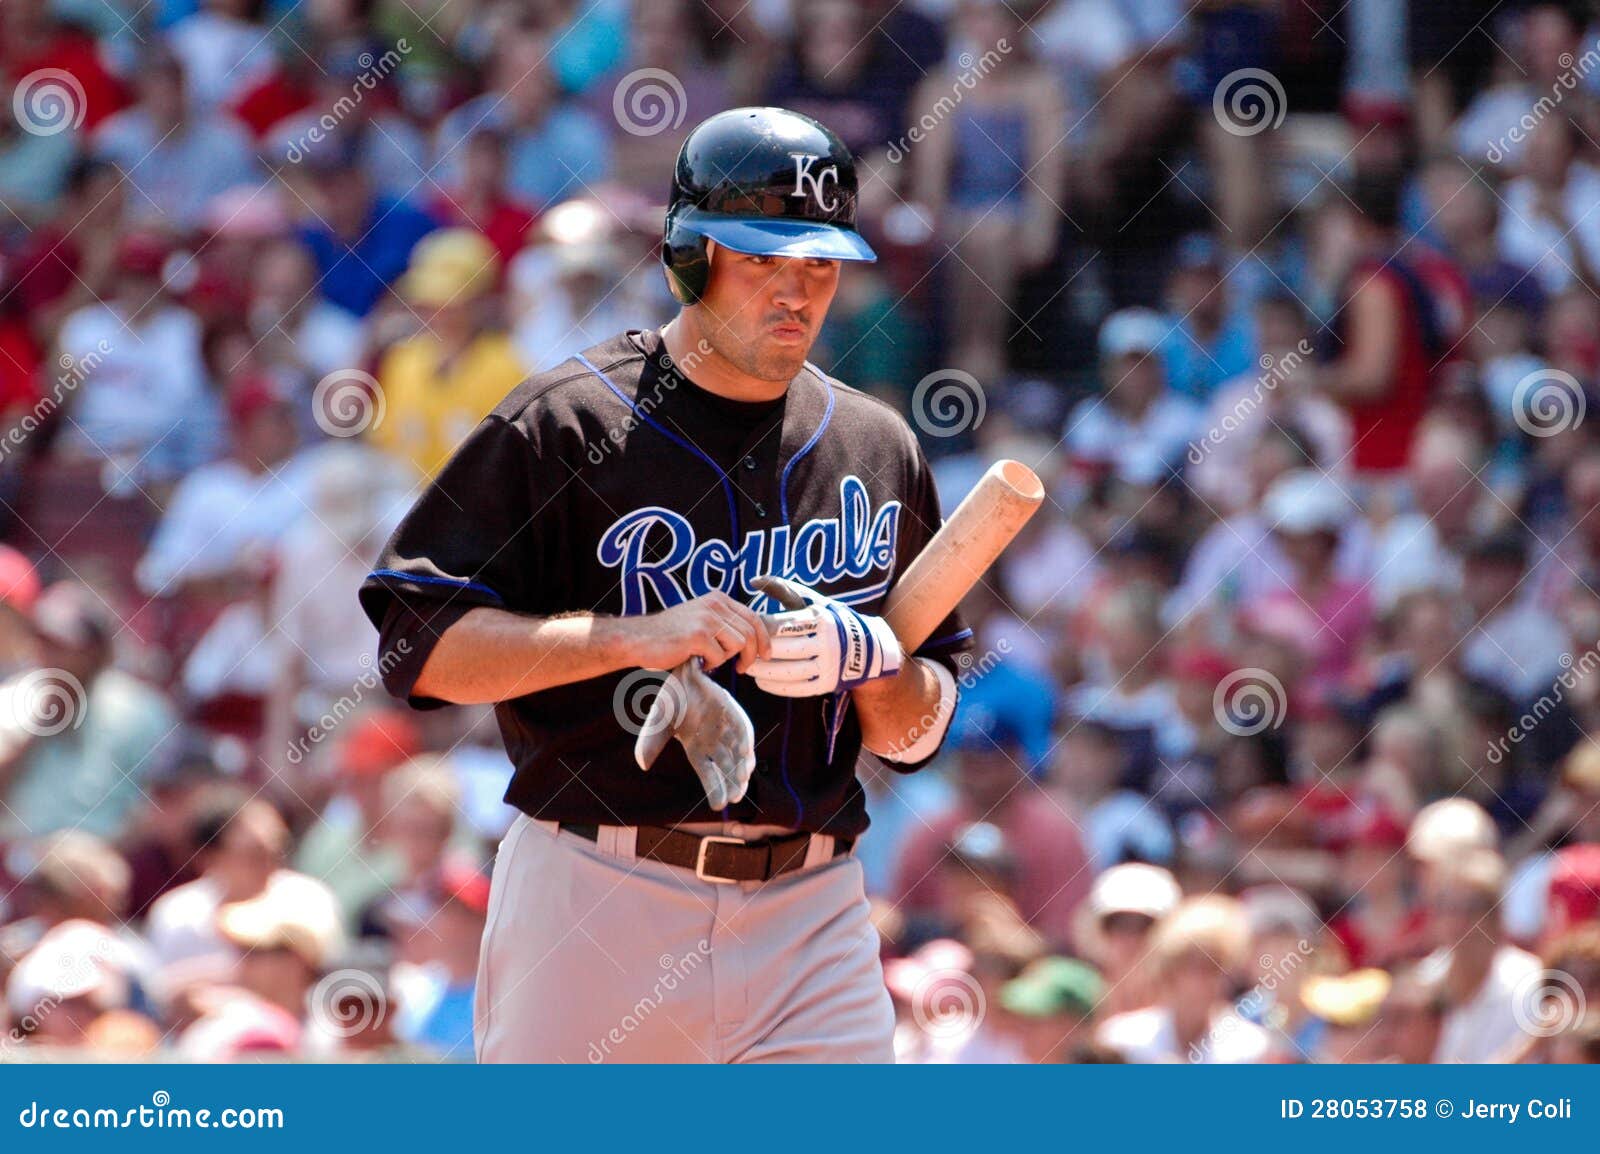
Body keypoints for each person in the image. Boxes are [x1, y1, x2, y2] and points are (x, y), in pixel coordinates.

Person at [361, 107, 972, 1063]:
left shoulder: (875, 446)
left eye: (818, 263)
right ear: (689, 259)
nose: (797, 290)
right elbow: (417, 649)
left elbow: (916, 724)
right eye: (763, 259)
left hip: (810, 911)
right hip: (599, 896)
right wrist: (625, 638)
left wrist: (874, 665)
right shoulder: (563, 423)